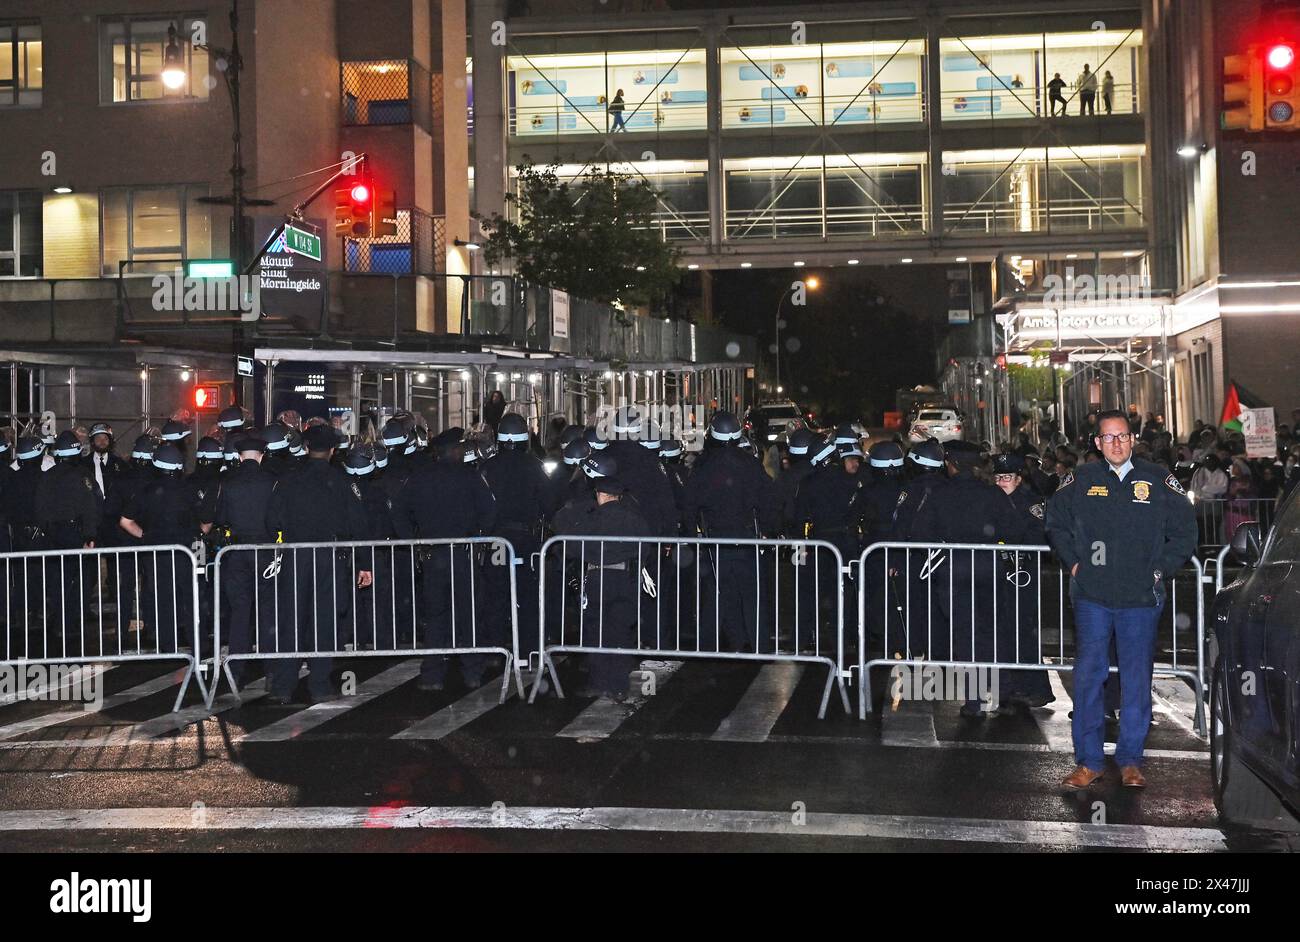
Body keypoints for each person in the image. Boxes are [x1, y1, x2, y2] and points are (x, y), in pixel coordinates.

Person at [1046, 410, 1197, 790]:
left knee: (1135, 679)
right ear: (1097, 443)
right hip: (1093, 597)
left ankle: (1130, 759)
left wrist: (1159, 570)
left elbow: (1185, 532)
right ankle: (1090, 761)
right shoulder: (1080, 479)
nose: (1116, 443)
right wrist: (1074, 564)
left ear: (1133, 439)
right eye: (1109, 437)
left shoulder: (1157, 479)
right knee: (1088, 678)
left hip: (1140, 599)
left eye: (1123, 436)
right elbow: (1055, 523)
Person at [908, 441, 1024, 715]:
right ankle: (1001, 690)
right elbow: (1015, 530)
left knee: (965, 634)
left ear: (952, 464)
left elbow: (920, 531)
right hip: (988, 565)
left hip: (954, 567)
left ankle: (973, 700)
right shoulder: (992, 494)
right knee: (993, 630)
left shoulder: (940, 494)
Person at [264, 426, 372, 704]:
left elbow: (272, 521)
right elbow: (358, 526)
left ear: (307, 447)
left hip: (295, 555)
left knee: (292, 619)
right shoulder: (342, 483)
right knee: (324, 620)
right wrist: (363, 563)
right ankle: (320, 684)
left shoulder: (288, 481)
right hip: (329, 555)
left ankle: (283, 685)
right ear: (333, 451)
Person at [552, 450, 651, 698]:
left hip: (598, 580)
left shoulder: (590, 520)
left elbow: (572, 546)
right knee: (620, 632)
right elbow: (646, 546)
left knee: (596, 633)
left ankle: (600, 683)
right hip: (625, 579)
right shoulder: (634, 517)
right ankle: (619, 686)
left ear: (600, 494)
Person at [682, 411, 779, 652]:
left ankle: (707, 646)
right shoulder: (749, 463)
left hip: (715, 538)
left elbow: (689, 503)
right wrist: (768, 530)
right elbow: (769, 499)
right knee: (753, 597)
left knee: (715, 597)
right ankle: (760, 647)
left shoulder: (704, 465)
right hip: (747, 537)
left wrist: (691, 534)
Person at [206, 433, 278, 687]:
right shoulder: (271, 481)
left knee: (239, 609)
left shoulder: (228, 482)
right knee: (268, 609)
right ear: (262, 455)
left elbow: (220, 516)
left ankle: (237, 668)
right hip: (266, 549)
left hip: (236, 551)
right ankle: (271, 668)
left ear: (238, 456)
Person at [119, 443, 204, 655]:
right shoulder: (189, 489)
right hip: (189, 552)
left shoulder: (146, 491)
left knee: (164, 598)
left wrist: (146, 536)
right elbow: (206, 521)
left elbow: (125, 521)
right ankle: (198, 642)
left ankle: (168, 645)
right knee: (193, 597)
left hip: (158, 552)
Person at [991, 453, 1055, 707]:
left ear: (1018, 478)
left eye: (1006, 477)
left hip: (1022, 572)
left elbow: (1036, 535)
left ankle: (1036, 688)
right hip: (1000, 571)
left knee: (1023, 631)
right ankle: (1012, 685)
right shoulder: (993, 500)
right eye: (997, 477)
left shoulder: (1029, 502)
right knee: (1004, 630)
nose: (1001, 482)